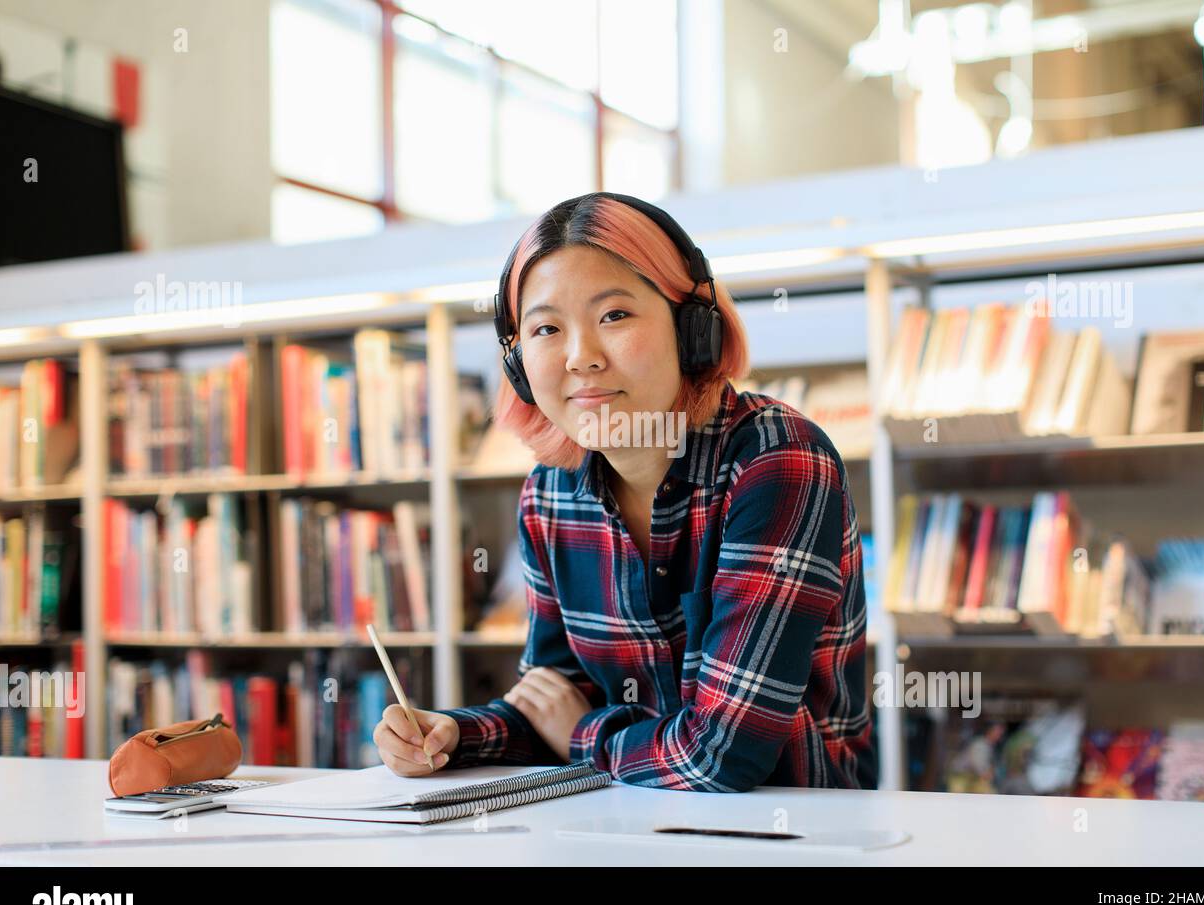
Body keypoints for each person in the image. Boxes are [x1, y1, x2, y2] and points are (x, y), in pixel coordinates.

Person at [372, 191, 876, 791]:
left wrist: (585, 734)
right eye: (547, 328)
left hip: (794, 836)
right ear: (518, 365)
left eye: (614, 316)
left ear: (692, 328)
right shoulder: (550, 496)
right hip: (626, 827)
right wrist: (455, 735)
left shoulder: (778, 461)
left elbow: (722, 756)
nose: (582, 358)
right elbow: (552, 700)